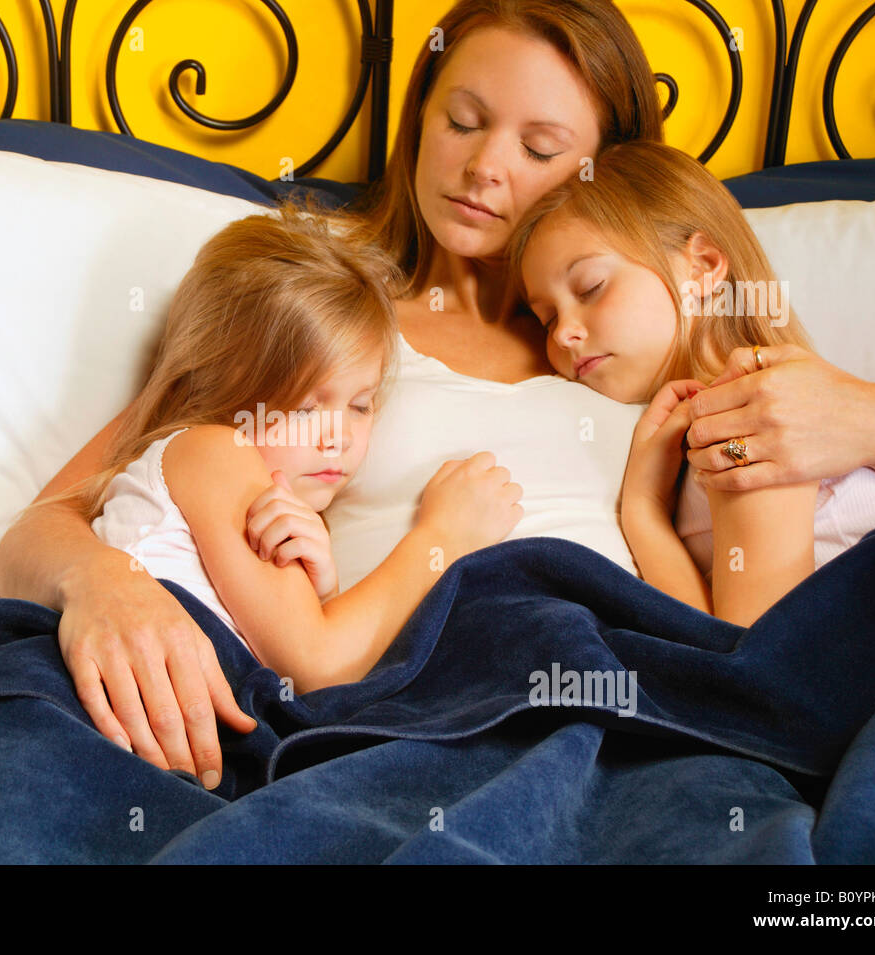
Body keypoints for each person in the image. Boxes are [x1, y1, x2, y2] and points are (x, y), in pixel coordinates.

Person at [0, 0, 875, 790]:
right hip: (407, 714)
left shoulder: (657, 336)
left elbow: (765, 615)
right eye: (463, 120)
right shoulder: (329, 314)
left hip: (644, 709)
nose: (487, 167)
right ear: (418, 123)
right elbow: (61, 513)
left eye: (540, 145)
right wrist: (102, 584)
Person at [28, 208, 521, 777]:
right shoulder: (212, 450)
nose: (338, 436)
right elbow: (320, 664)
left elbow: (291, 652)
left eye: (361, 406)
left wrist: (322, 592)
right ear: (226, 388)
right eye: (308, 407)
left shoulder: (264, 496)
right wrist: (442, 538)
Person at [508, 141, 875, 626]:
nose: (563, 332)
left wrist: (644, 514)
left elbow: (752, 667)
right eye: (546, 318)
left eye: (591, 288)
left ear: (702, 268)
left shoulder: (751, 412)